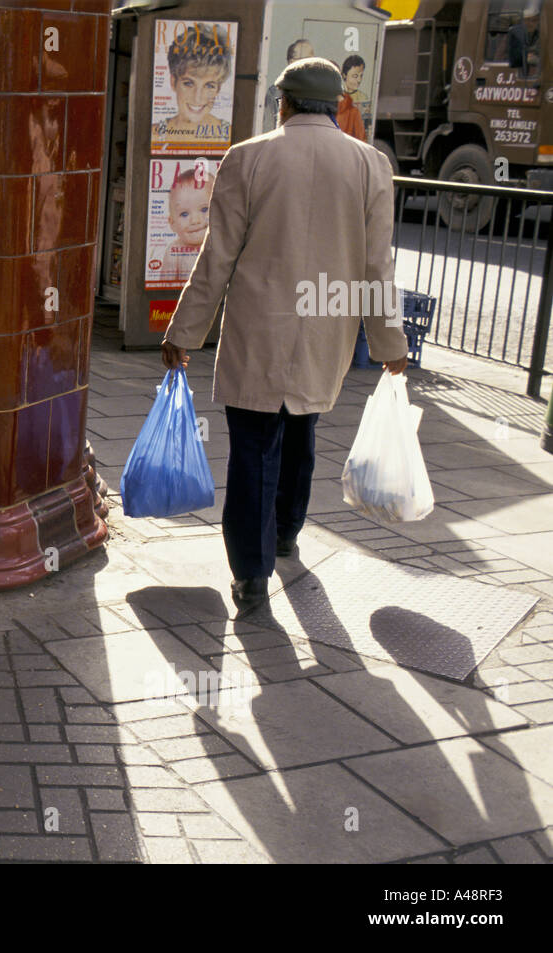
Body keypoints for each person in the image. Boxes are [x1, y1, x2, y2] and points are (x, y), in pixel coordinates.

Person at [159, 58, 409, 613]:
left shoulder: (248, 158)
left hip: (258, 331)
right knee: (301, 428)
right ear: (333, 106)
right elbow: (377, 268)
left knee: (252, 447)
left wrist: (184, 331)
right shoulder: (372, 166)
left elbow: (216, 257)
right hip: (326, 329)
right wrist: (391, 347)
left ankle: (251, 573)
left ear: (285, 103)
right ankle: (286, 534)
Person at [152, 22, 233, 150]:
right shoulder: (155, 135)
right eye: (189, 83)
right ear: (173, 82)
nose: (197, 98)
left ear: (219, 88)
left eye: (209, 86)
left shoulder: (230, 136)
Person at [160, 168, 214, 284]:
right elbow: (163, 287)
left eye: (204, 209)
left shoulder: (223, 244)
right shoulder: (173, 253)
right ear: (172, 223)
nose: (195, 221)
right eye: (184, 214)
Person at [263, 38, 314, 131]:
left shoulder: (319, 93)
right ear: (291, 62)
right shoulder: (275, 93)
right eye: (306, 60)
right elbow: (268, 130)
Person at [337, 55, 367, 140]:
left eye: (361, 76)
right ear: (344, 75)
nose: (359, 80)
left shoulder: (362, 98)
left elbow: (361, 141)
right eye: (355, 76)